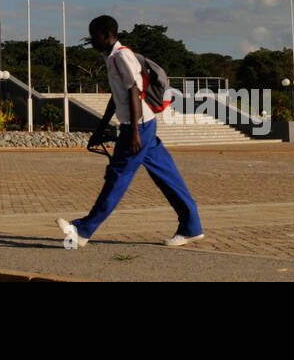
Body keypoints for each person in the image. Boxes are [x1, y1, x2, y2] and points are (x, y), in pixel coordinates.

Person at [56, 15, 204, 248]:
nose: (92, 41)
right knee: (167, 174)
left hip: (139, 125)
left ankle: (83, 230)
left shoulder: (122, 57)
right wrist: (101, 128)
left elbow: (134, 91)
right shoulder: (111, 58)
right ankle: (191, 227)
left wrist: (134, 131)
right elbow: (117, 98)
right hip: (142, 124)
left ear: (107, 34)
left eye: (94, 36)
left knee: (118, 176)